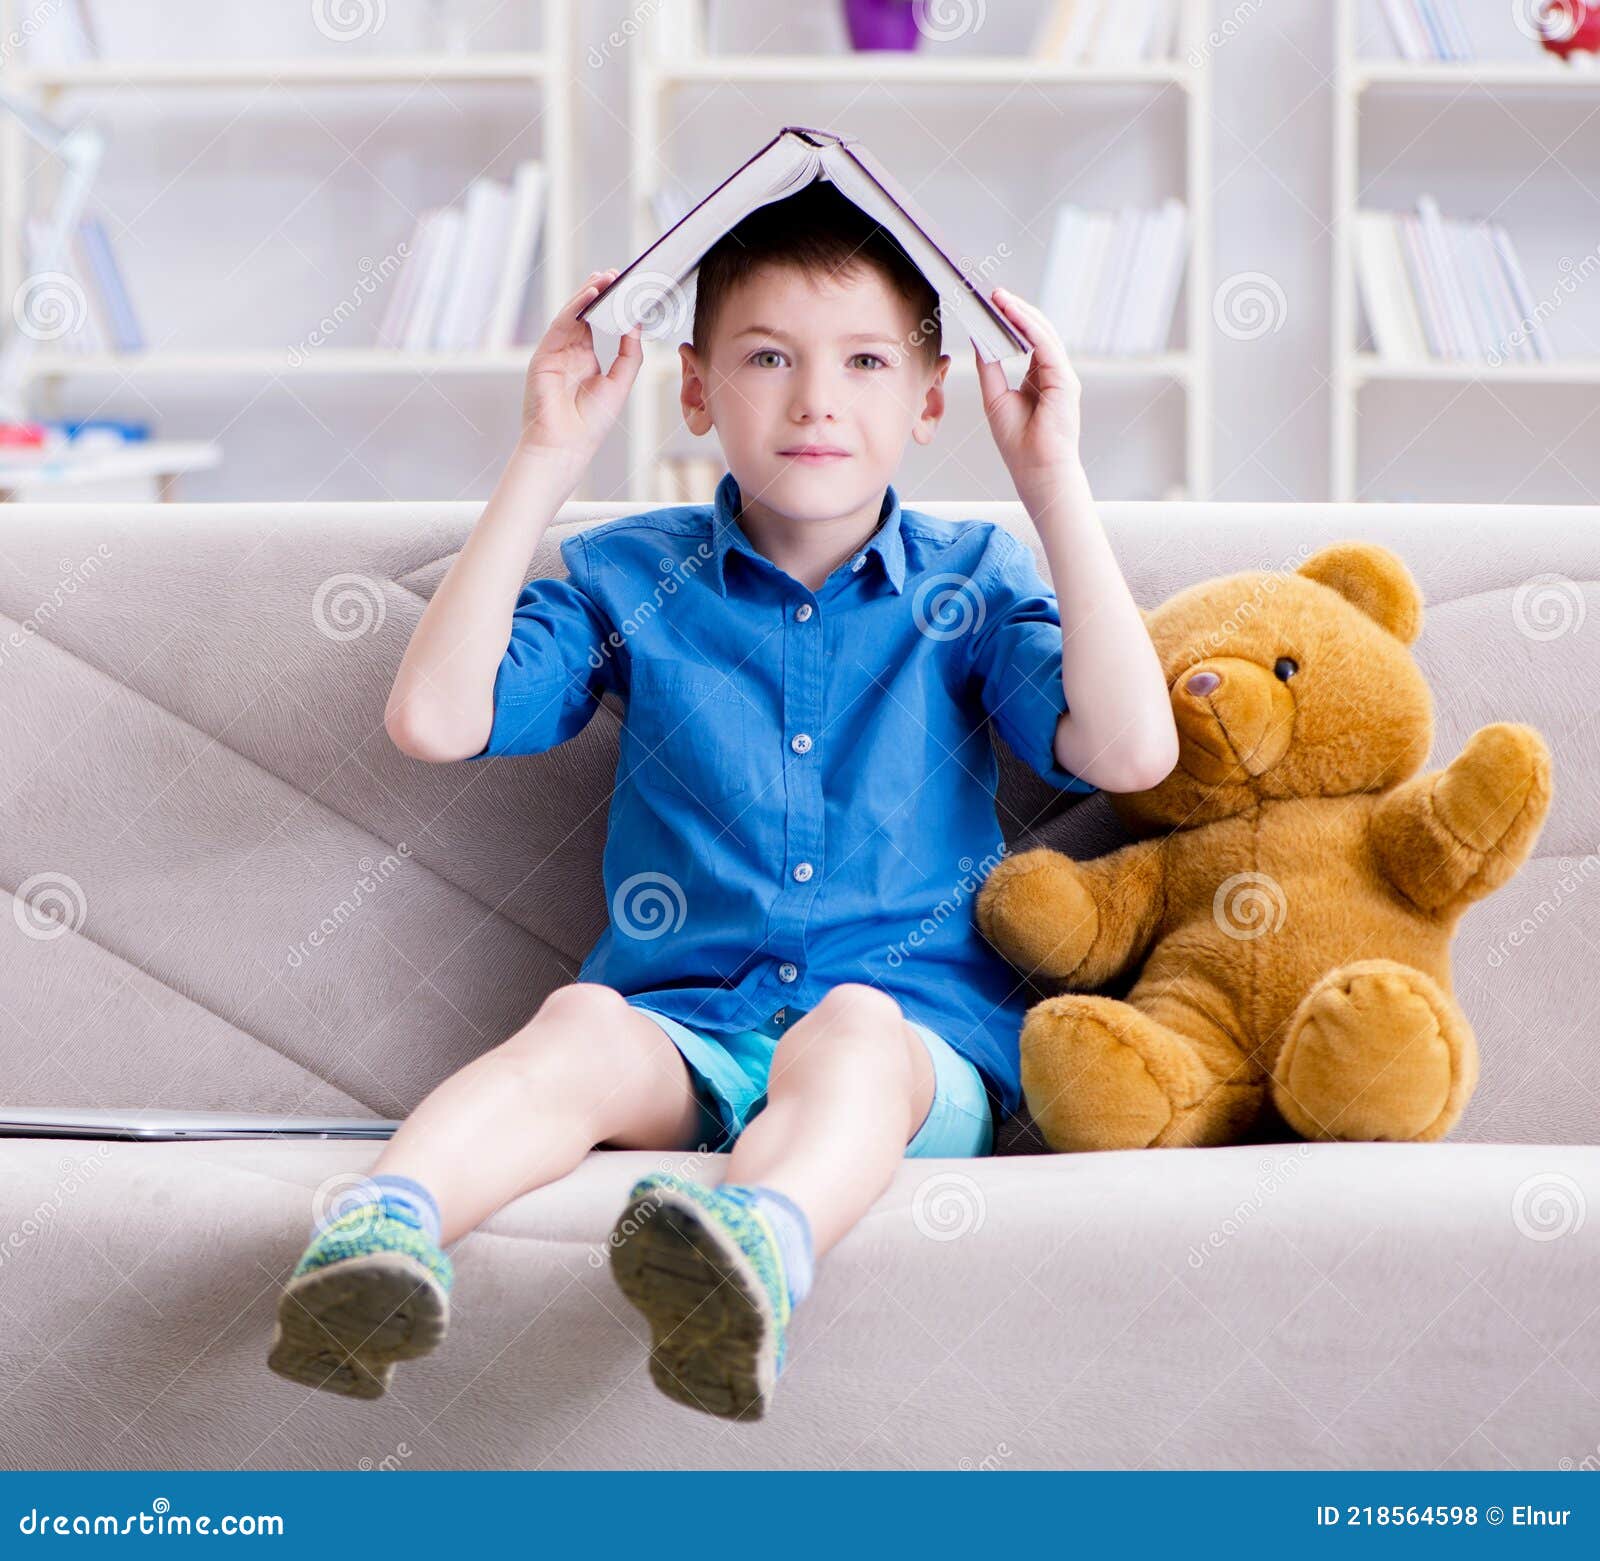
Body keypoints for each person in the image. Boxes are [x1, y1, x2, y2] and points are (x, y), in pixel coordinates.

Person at [266, 180, 1178, 1420]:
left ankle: (754, 1250)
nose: (815, 400)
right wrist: (547, 451)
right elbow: (435, 719)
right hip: (686, 1032)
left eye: (865, 361)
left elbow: (1129, 751)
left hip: (906, 1048)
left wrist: (1051, 475)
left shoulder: (971, 579)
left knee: (850, 1029)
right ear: (694, 389)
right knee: (578, 1024)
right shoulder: (631, 575)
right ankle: (380, 1233)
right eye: (767, 357)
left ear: (929, 401)